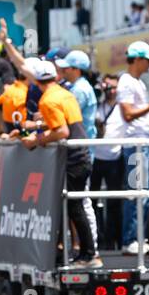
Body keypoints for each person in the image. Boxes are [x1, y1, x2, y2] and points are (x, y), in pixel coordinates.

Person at [22, 59, 99, 267]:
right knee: (71, 206)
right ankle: (74, 252)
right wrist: (39, 128)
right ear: (55, 77)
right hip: (81, 153)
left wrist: (35, 140)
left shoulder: (47, 100)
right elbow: (61, 126)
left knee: (74, 207)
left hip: (73, 157)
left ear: (36, 81)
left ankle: (89, 255)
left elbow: (61, 132)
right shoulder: (65, 94)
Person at [110, 40, 149, 254]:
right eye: (147, 60)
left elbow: (138, 115)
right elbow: (128, 115)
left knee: (146, 193)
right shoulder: (127, 82)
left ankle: (136, 238)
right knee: (138, 192)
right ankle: (130, 239)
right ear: (136, 59)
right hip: (136, 143)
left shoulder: (136, 82)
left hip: (142, 141)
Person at [91, 74, 124, 250]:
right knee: (92, 201)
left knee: (114, 202)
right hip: (96, 158)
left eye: (114, 87)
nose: (111, 91)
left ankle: (114, 240)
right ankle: (99, 238)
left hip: (114, 158)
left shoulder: (122, 107)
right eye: (108, 87)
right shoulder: (97, 105)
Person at [57, 49, 97, 139]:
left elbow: (66, 116)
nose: (63, 70)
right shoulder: (78, 86)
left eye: (66, 68)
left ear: (77, 70)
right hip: (81, 141)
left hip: (81, 144)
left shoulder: (79, 90)